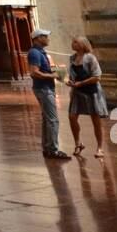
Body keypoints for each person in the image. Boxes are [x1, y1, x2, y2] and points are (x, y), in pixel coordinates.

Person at [28, 29, 69, 159]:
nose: (48, 39)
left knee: (47, 119)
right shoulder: (35, 53)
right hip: (44, 89)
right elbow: (34, 72)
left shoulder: (40, 52)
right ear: (38, 38)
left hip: (45, 88)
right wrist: (52, 75)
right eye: (45, 36)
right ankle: (53, 149)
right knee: (53, 120)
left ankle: (47, 147)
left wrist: (56, 71)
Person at [67, 36, 107, 159]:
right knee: (72, 117)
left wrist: (81, 83)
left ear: (82, 44)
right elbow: (73, 75)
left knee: (95, 120)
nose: (73, 44)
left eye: (75, 42)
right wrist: (70, 81)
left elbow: (97, 77)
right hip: (77, 91)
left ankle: (99, 147)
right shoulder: (72, 58)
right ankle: (78, 143)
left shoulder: (90, 58)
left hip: (91, 91)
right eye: (72, 41)